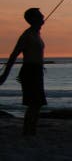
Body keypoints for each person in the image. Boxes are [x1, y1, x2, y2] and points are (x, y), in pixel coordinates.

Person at [0, 8, 47, 136]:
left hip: (36, 70)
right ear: (32, 19)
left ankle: (31, 131)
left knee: (37, 104)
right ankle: (28, 132)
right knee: (34, 103)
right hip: (30, 71)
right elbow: (14, 55)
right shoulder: (27, 35)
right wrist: (4, 75)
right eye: (39, 15)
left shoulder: (36, 33)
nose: (43, 16)